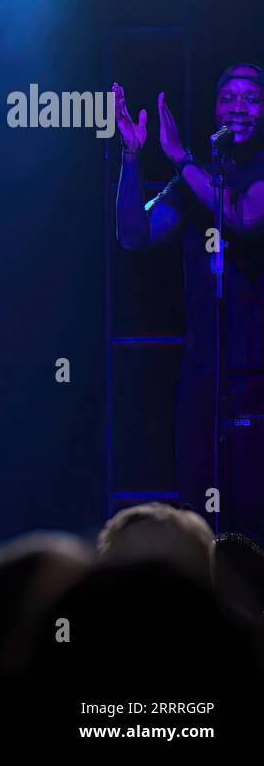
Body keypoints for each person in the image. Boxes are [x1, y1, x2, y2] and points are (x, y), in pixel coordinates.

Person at [114, 64, 264, 533]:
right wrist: (132, 156)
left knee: (253, 508)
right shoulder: (198, 174)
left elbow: (242, 218)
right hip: (202, 367)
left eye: (251, 97)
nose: (238, 108)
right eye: (228, 97)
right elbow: (134, 235)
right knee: (198, 506)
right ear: (215, 109)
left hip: (254, 368)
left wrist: (179, 157)